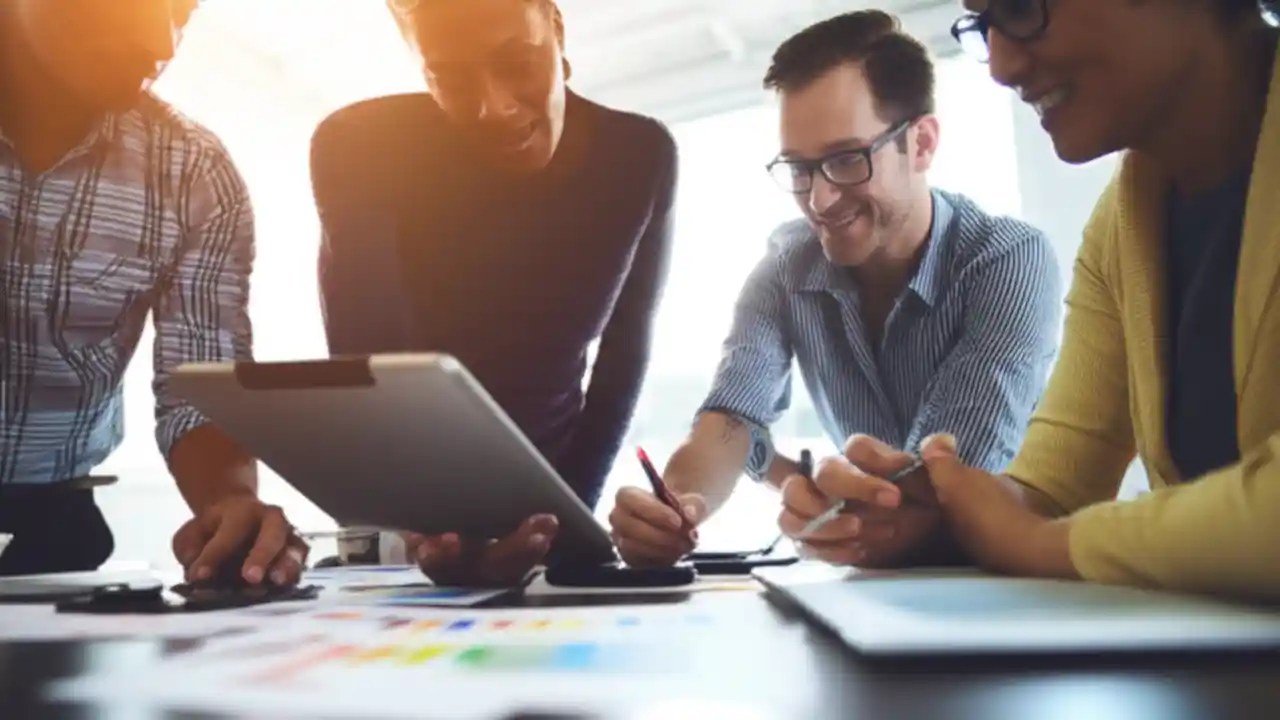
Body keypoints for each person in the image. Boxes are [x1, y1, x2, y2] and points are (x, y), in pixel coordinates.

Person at [798, 0, 1280, 601]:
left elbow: (1037, 532)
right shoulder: (1125, 224)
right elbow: (1051, 489)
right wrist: (928, 517)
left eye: (1023, 9)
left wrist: (1037, 545)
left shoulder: (1011, 253)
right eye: (985, 25)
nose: (998, 65)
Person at [608, 11, 1060, 568]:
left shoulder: (1007, 260)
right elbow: (729, 421)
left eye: (847, 160)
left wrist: (825, 504)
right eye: (800, 168)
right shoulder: (785, 267)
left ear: (920, 144)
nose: (819, 201)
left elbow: (941, 483)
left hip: (1016, 578)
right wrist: (675, 506)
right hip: (880, 591)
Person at [312, 0, 677, 585]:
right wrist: (433, 529)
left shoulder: (639, 156)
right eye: (448, 78)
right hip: (411, 515)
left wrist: (566, 525)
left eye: (517, 61)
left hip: (556, 504)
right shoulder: (360, 146)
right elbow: (374, 371)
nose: (491, 108)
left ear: (556, 27)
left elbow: (622, 359)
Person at [0, 0, 308, 583]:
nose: (162, 44)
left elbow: (197, 386)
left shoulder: (192, 172)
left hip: (54, 536)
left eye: (182, 8)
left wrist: (230, 504)